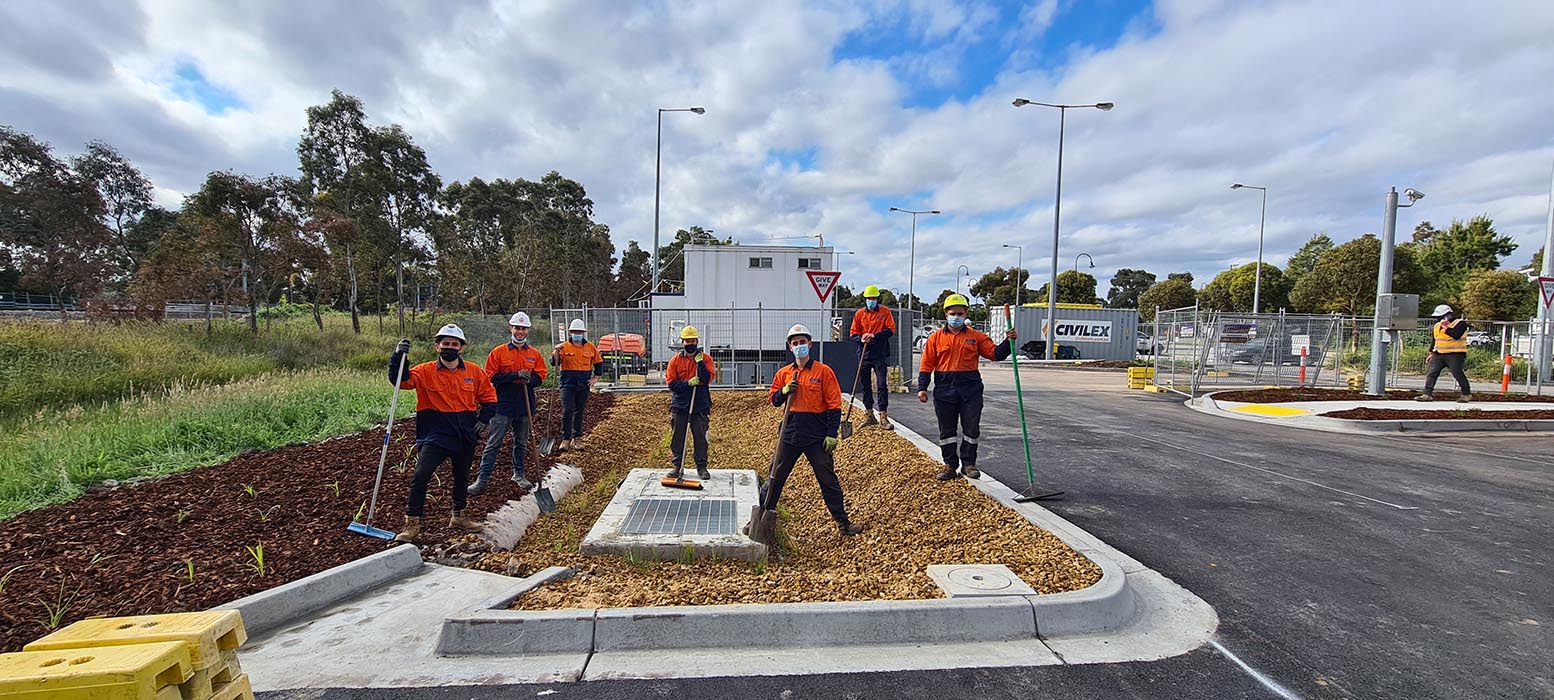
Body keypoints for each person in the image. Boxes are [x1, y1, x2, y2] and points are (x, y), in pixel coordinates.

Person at [744, 324, 865, 546]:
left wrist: (831, 433)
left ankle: (843, 522)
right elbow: (773, 400)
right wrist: (783, 391)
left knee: (827, 478)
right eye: (795, 343)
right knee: (775, 476)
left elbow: (834, 404)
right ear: (790, 347)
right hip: (790, 432)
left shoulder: (823, 372)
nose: (799, 346)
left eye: (803, 342)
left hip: (816, 434)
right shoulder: (784, 373)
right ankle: (761, 517)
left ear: (810, 344)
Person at [388, 324, 496, 542]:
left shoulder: (475, 372)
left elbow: (490, 399)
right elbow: (401, 380)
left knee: (461, 476)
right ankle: (413, 523)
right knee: (421, 475)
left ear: (461, 348)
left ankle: (459, 516)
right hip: (435, 433)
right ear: (437, 346)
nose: (450, 347)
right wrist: (398, 357)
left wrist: (483, 421)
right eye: (445, 343)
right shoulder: (424, 371)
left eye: (454, 344)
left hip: (465, 433)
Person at [917, 294, 1015, 481]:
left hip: (970, 389)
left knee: (971, 428)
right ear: (946, 314)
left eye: (960, 313)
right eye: (953, 313)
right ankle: (950, 465)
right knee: (947, 431)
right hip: (945, 389)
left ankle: (969, 464)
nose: (956, 316)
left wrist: (1008, 343)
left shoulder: (976, 337)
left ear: (966, 313)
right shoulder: (935, 338)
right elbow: (926, 364)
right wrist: (922, 387)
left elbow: (995, 354)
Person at [469, 312, 548, 496]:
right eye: (517, 328)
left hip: (525, 403)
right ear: (511, 328)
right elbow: (490, 376)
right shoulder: (498, 352)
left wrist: (531, 379)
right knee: (493, 442)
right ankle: (482, 478)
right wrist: (514, 376)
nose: (520, 331)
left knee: (521, 442)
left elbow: (541, 375)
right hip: (503, 404)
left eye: (523, 328)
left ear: (528, 330)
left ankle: (518, 474)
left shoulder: (533, 354)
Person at [666, 325, 716, 480]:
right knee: (678, 437)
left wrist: (700, 363)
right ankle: (677, 466)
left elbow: (707, 379)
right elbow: (672, 384)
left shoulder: (706, 359)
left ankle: (701, 467)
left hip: (699, 404)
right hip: (680, 405)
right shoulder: (675, 361)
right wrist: (688, 383)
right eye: (687, 341)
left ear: (697, 341)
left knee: (700, 438)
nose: (690, 343)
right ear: (683, 342)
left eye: (692, 340)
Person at [848, 284, 898, 430]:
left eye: (874, 298)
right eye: (869, 298)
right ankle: (869, 414)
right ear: (865, 299)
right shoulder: (859, 314)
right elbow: (853, 334)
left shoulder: (885, 312)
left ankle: (883, 415)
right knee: (865, 385)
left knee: (882, 384)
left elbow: (891, 330)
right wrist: (861, 338)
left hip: (880, 352)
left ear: (877, 298)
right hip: (864, 353)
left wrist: (874, 335)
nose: (872, 300)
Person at [551, 318, 604, 451]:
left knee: (579, 412)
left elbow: (598, 362)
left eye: (579, 332)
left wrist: (595, 377)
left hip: (583, 384)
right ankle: (566, 439)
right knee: (567, 411)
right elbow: (554, 362)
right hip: (567, 384)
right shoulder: (563, 347)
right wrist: (556, 352)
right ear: (570, 332)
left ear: (583, 333)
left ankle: (578, 438)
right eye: (575, 331)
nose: (577, 334)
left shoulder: (590, 347)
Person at [1416, 303, 1472, 402]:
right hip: (1439, 354)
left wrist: (1446, 328)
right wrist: (1431, 353)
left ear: (1448, 315)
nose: (1439, 319)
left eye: (1441, 317)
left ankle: (1466, 394)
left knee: (1457, 373)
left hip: (1455, 354)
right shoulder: (1437, 326)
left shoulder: (1460, 323)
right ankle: (1427, 394)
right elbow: (1435, 340)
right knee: (1432, 373)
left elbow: (1456, 335)